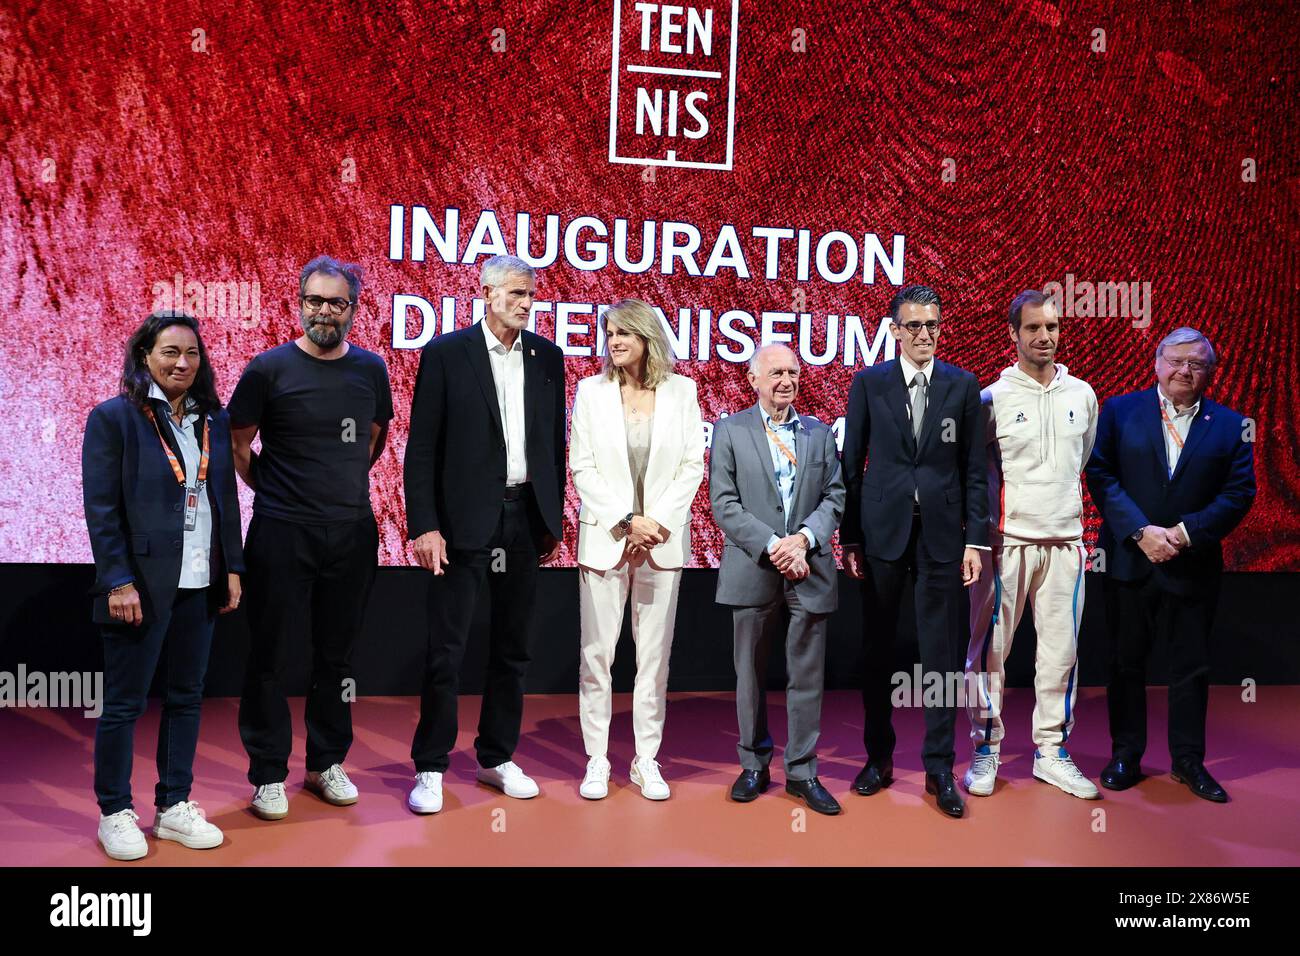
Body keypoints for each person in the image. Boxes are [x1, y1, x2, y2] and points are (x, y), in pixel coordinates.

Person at [229, 256, 393, 820]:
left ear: (353, 309)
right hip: (280, 531)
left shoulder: (371, 370)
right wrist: (276, 491)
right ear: (299, 303)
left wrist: (335, 488)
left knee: (337, 657)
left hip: (350, 533)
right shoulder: (267, 369)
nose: (325, 311)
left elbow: (372, 442)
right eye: (315, 301)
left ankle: (327, 762)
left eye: (337, 302)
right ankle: (268, 773)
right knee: (269, 656)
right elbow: (237, 446)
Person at [404, 254, 566, 814]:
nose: (526, 303)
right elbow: (421, 447)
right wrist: (424, 524)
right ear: (486, 291)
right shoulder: (447, 354)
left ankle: (497, 757)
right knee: (446, 650)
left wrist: (552, 515)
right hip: (462, 522)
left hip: (524, 519)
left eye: (531, 295)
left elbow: (553, 444)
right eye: (517, 293)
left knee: (512, 649)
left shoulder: (548, 357)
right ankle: (430, 767)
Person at [82, 310, 243, 860]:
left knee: (186, 697)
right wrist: (117, 581)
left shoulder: (210, 421)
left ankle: (174, 805)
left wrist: (233, 568)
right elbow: (102, 511)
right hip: (140, 584)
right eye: (170, 352)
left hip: (201, 578)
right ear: (145, 357)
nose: (182, 362)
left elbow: (224, 499)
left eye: (192, 353)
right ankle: (115, 812)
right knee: (125, 703)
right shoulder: (115, 418)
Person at [1085, 327, 1255, 802]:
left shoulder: (1231, 424)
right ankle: (1126, 755)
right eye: (1176, 360)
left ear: (1209, 372)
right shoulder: (1118, 410)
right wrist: (1141, 532)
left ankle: (1188, 761)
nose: (1184, 370)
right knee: (1124, 665)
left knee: (1190, 669)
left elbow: (1239, 494)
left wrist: (1182, 534)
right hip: (1129, 561)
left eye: (1196, 364)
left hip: (1192, 564)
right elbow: (1099, 472)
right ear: (1156, 363)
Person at [840, 284, 988, 818]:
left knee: (942, 658)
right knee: (878, 652)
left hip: (944, 539)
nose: (925, 335)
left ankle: (939, 768)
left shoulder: (963, 386)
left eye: (933, 326)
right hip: (881, 537)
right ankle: (878, 760)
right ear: (895, 330)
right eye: (914, 327)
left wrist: (976, 538)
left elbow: (975, 470)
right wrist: (851, 537)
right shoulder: (869, 383)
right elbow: (851, 466)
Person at [962, 290, 1100, 800]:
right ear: (1013, 334)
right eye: (1034, 328)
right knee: (990, 652)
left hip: (1066, 545)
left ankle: (1050, 752)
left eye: (1053, 328)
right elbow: (978, 477)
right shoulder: (991, 400)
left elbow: (1080, 459)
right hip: (1007, 546)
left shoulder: (1082, 395)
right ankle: (985, 749)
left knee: (1061, 654)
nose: (1045, 337)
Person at [568, 299, 704, 800]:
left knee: (653, 660)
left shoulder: (682, 391)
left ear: (648, 338)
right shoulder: (590, 392)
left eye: (625, 333)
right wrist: (626, 522)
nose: (615, 342)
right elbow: (582, 467)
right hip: (606, 539)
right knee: (596, 656)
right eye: (609, 334)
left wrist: (657, 523)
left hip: (661, 545)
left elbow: (692, 464)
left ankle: (647, 760)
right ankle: (597, 760)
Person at [710, 344, 846, 816]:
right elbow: (724, 504)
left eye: (792, 371)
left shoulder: (820, 433)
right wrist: (775, 546)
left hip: (809, 568)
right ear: (753, 380)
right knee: (749, 672)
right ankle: (753, 764)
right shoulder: (730, 430)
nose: (785, 380)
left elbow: (834, 497)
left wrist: (804, 539)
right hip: (754, 568)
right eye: (775, 373)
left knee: (806, 675)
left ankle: (803, 770)